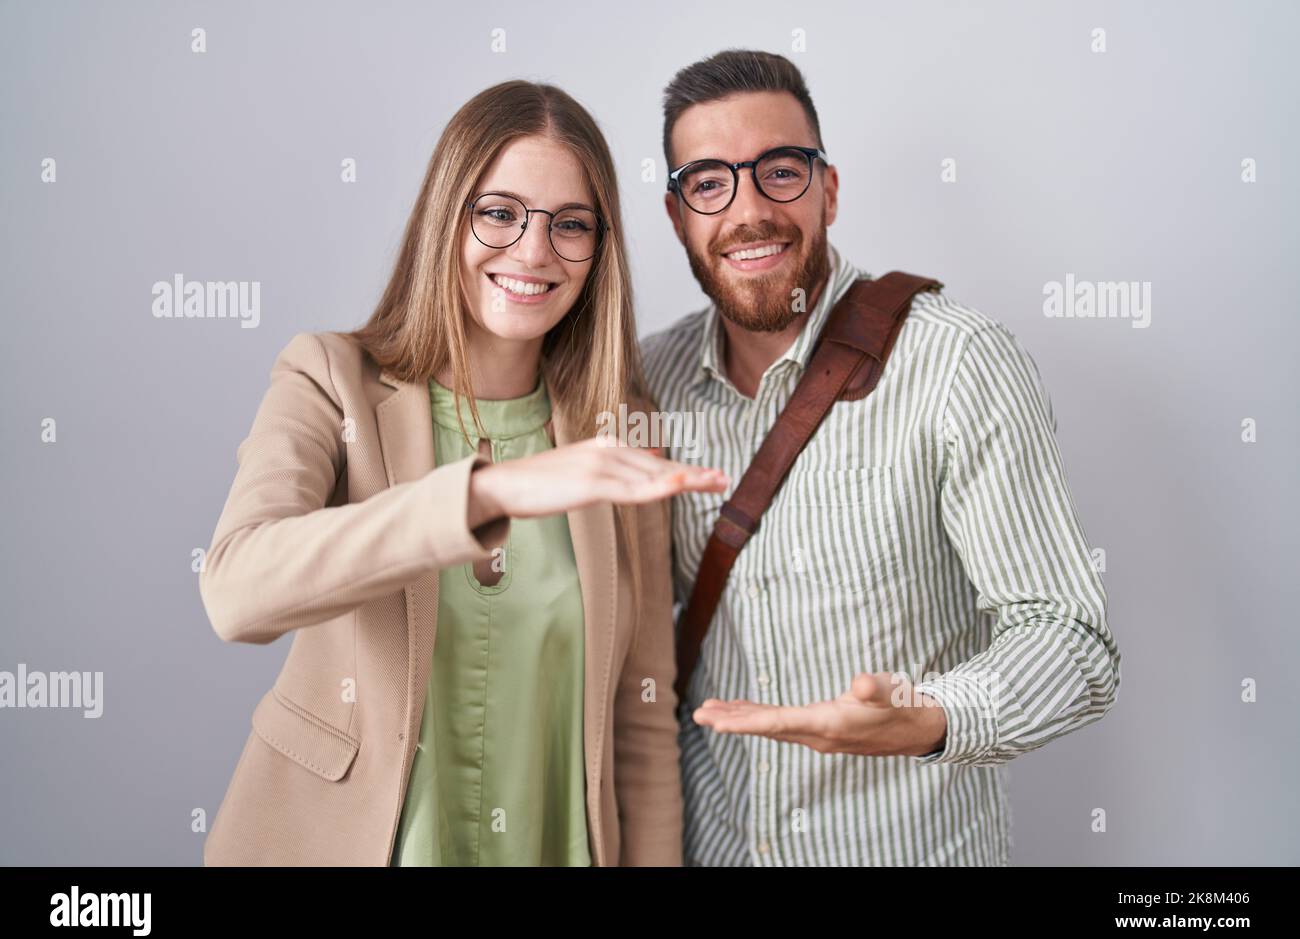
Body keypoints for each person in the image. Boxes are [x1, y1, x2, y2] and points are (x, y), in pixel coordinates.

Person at [198, 79, 727, 867]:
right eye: (499, 212)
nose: (534, 251)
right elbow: (237, 594)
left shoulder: (622, 436)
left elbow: (642, 723)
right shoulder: (328, 378)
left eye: (571, 225)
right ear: (446, 215)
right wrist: (490, 492)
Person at [641, 49, 1122, 865]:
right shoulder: (646, 382)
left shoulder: (958, 362)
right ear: (678, 214)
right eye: (710, 183)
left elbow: (1070, 640)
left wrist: (929, 717)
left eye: (780, 171)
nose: (749, 210)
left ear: (829, 189)